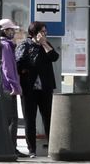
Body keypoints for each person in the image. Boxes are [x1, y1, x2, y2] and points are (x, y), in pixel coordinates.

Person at [15, 21, 59, 157]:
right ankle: (32, 149)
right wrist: (25, 70)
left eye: (46, 32)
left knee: (48, 118)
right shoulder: (25, 45)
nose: (44, 34)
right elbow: (19, 62)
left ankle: (52, 147)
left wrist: (44, 43)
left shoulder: (46, 45)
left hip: (45, 88)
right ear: (35, 32)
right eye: (42, 32)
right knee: (30, 119)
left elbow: (54, 57)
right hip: (29, 88)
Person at [0, 18, 24, 157]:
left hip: (3, 86)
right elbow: (8, 68)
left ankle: (9, 147)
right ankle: (11, 148)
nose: (13, 32)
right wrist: (15, 85)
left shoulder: (3, 45)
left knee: (7, 118)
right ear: (4, 31)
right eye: (11, 30)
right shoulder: (6, 46)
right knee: (12, 119)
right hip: (8, 87)